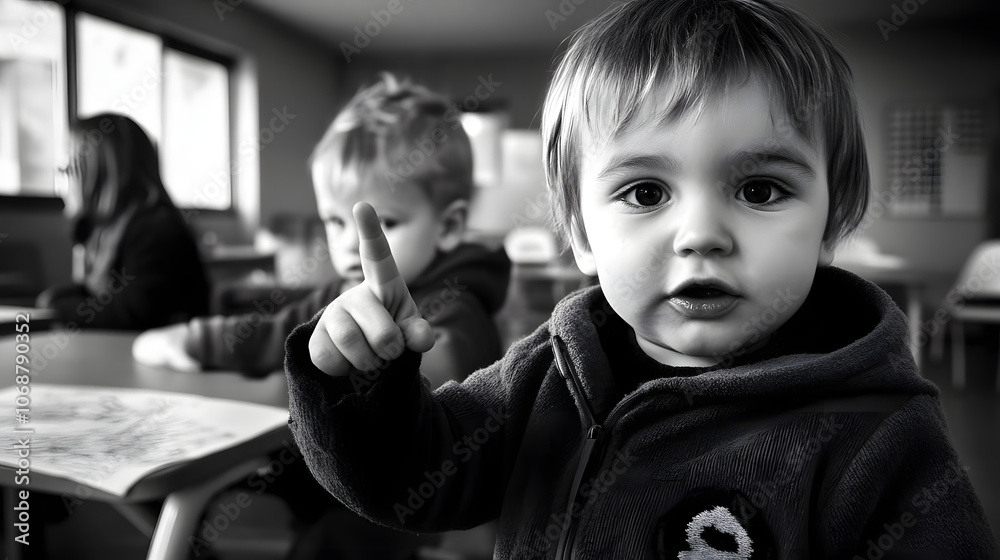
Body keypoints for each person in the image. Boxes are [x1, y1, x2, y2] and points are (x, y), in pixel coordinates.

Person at [283, 1, 997, 559]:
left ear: (831, 218)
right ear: (583, 234)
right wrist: (365, 386)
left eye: (760, 189)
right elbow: (412, 484)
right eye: (647, 194)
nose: (701, 234)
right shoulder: (549, 371)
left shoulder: (881, 437)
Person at [131, 75, 510, 385]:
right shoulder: (343, 292)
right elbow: (271, 334)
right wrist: (194, 338)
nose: (349, 244)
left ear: (448, 226)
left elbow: (436, 379)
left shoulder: (457, 307)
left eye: (383, 224)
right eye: (335, 221)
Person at [36, 113, 209, 330]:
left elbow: (132, 314)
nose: (63, 176)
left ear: (98, 176)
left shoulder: (156, 230)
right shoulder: (107, 229)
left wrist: (59, 310)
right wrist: (67, 295)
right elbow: (104, 293)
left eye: (70, 169)